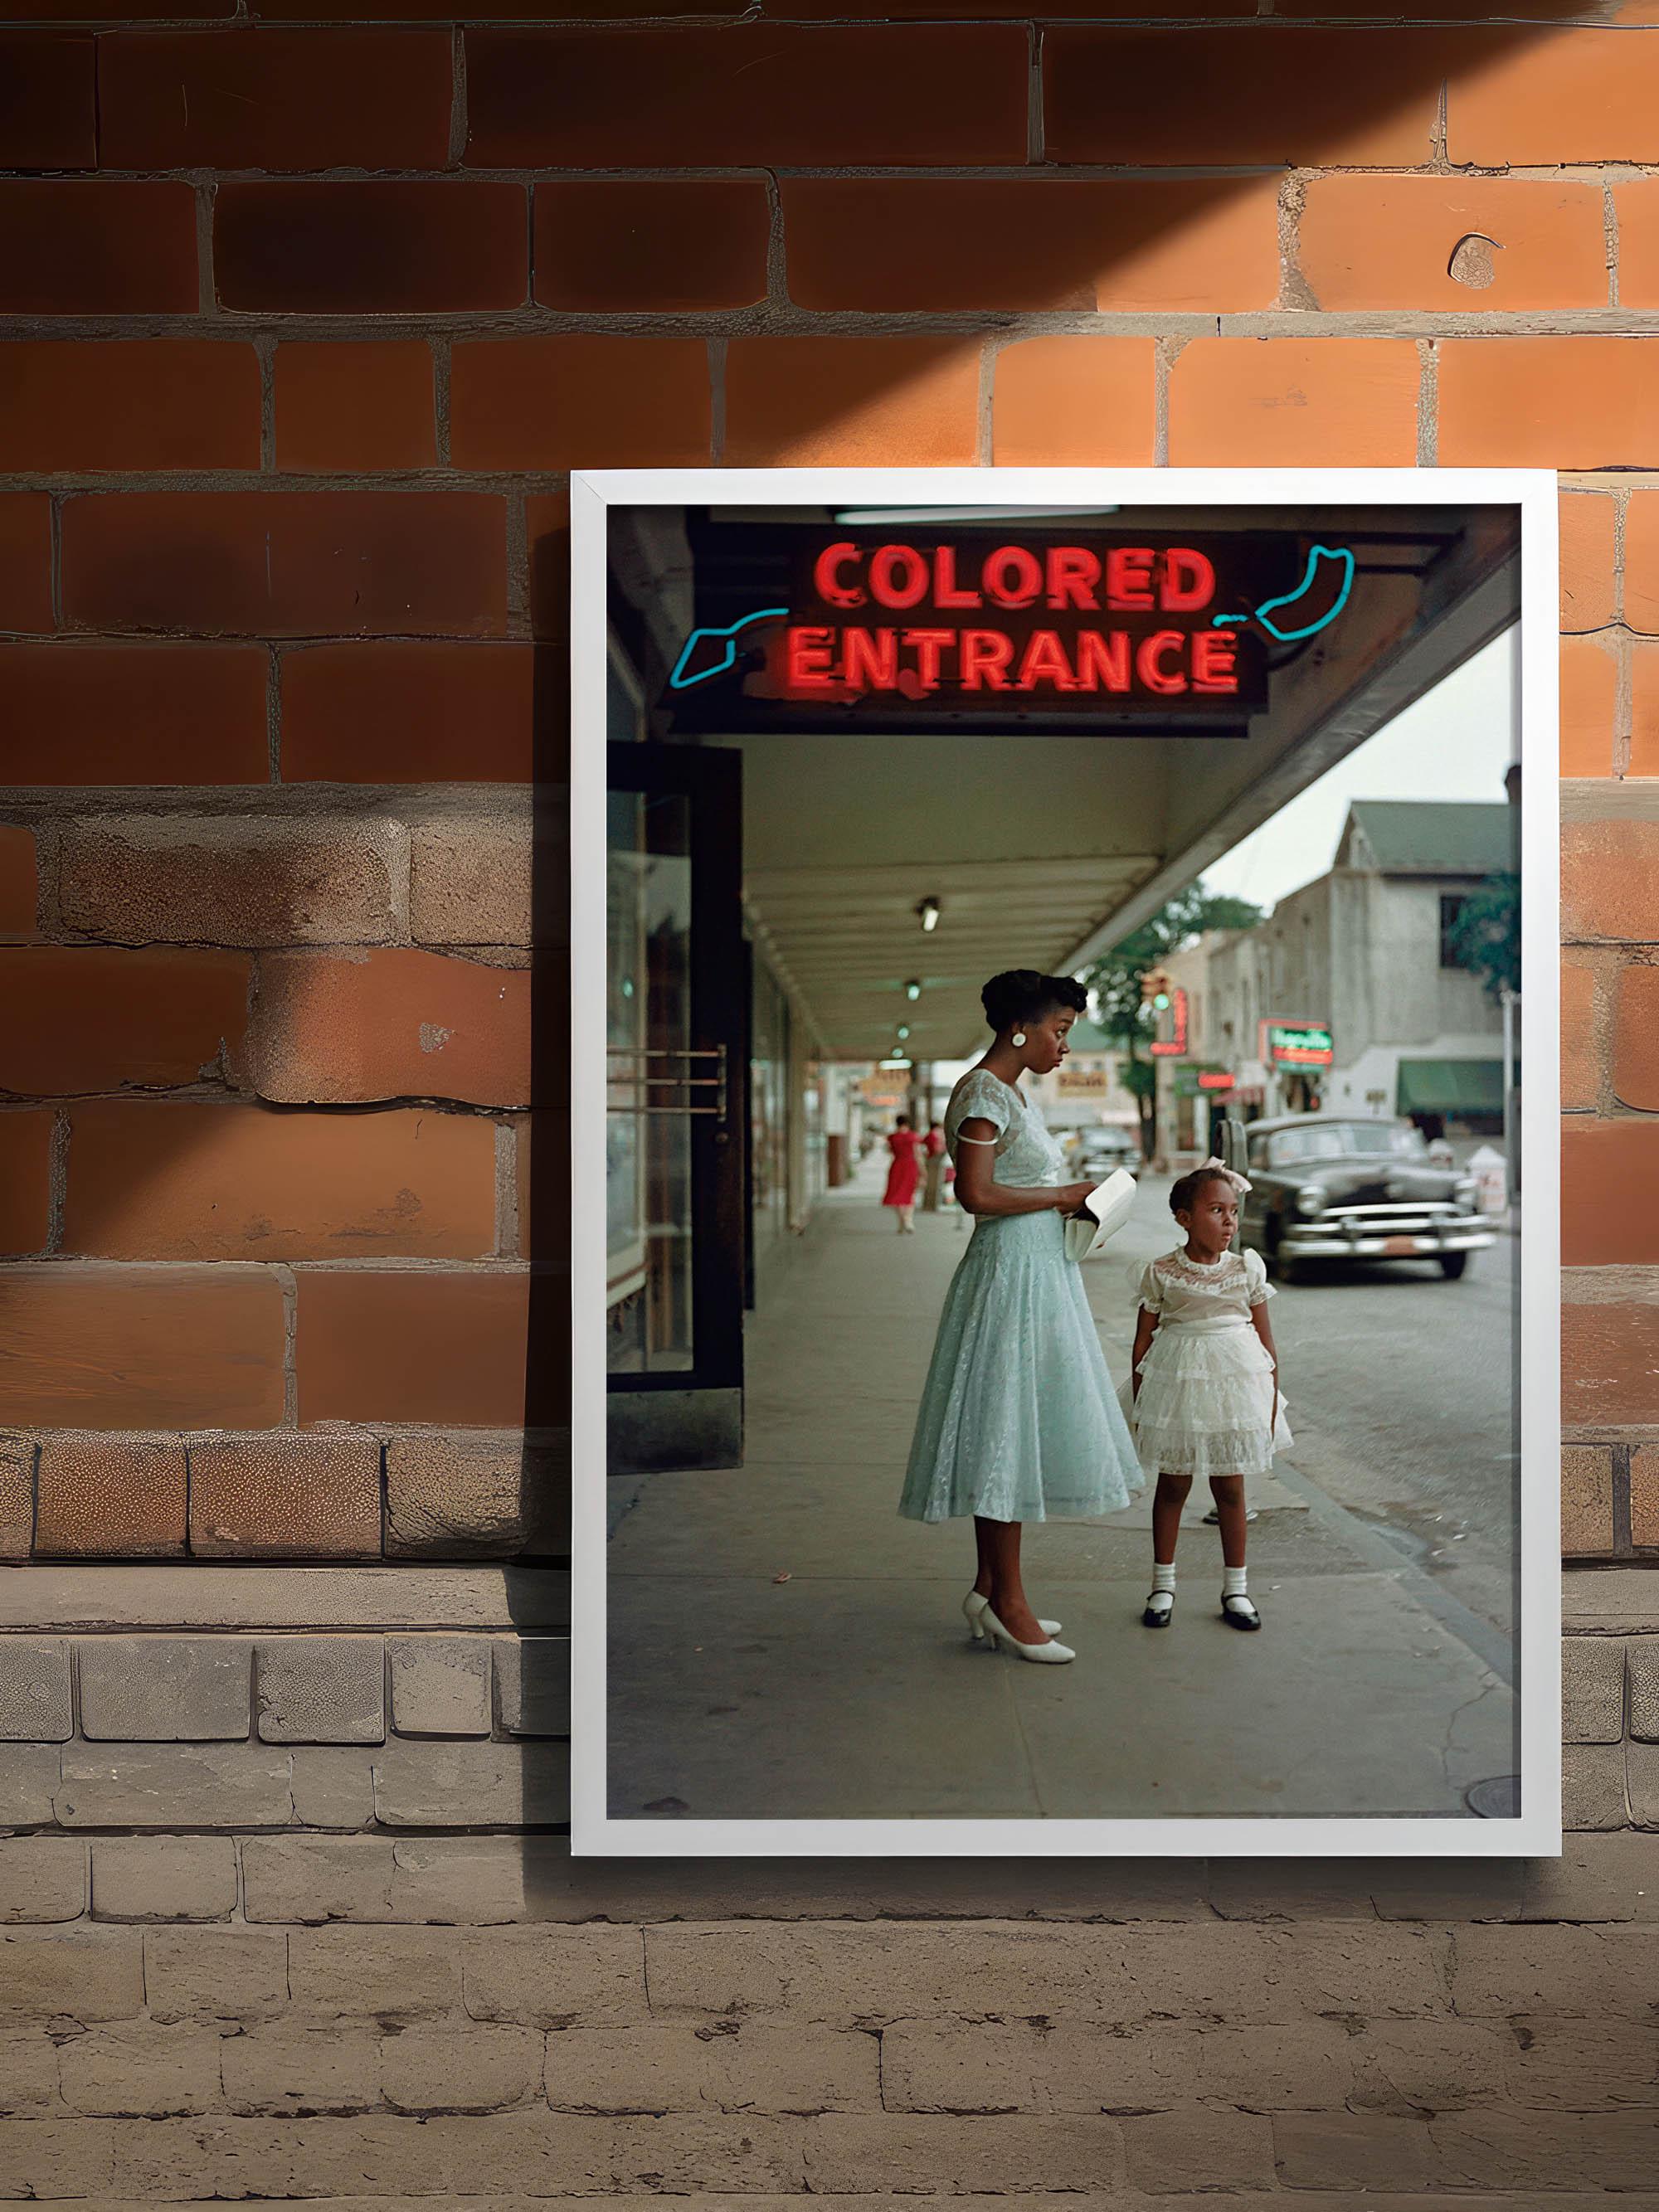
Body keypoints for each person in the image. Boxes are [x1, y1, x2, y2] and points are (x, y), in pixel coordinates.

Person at [898, 970, 1144, 1664]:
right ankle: (1008, 1600)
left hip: (1038, 1270)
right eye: (1060, 1030)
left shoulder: (1011, 1094)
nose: (1065, 1045)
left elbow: (1014, 1184)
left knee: (1015, 1427)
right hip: (1008, 1275)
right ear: (1020, 1028)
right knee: (1004, 1429)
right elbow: (974, 1194)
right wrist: (1065, 1191)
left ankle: (988, 1586)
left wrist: (1076, 1203)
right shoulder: (982, 1092)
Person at [1125, 1161, 1291, 1634]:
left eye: (1233, 1212)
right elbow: (1142, 1342)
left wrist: (1270, 1404)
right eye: (1216, 1210)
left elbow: (1267, 1344)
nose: (1229, 1222)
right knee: (1173, 1485)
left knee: (1231, 1487)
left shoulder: (1246, 1270)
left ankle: (1235, 1587)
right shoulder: (1161, 1272)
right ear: (1184, 1217)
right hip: (1178, 1384)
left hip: (1235, 1387)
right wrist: (1141, 1404)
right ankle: (1163, 1584)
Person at [882, 1115, 925, 1233]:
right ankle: (908, 1221)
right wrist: (923, 1171)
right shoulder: (913, 1137)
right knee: (909, 1194)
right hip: (911, 1166)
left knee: (896, 1196)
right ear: (908, 1123)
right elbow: (918, 1154)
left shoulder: (892, 1137)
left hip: (897, 1165)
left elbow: (890, 1151)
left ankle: (902, 1222)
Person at [921, 1121, 946, 1212]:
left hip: (931, 1159)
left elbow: (924, 1144)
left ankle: (929, 1204)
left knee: (931, 1183)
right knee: (936, 1183)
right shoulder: (939, 1134)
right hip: (937, 1159)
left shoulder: (931, 1134)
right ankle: (934, 1204)